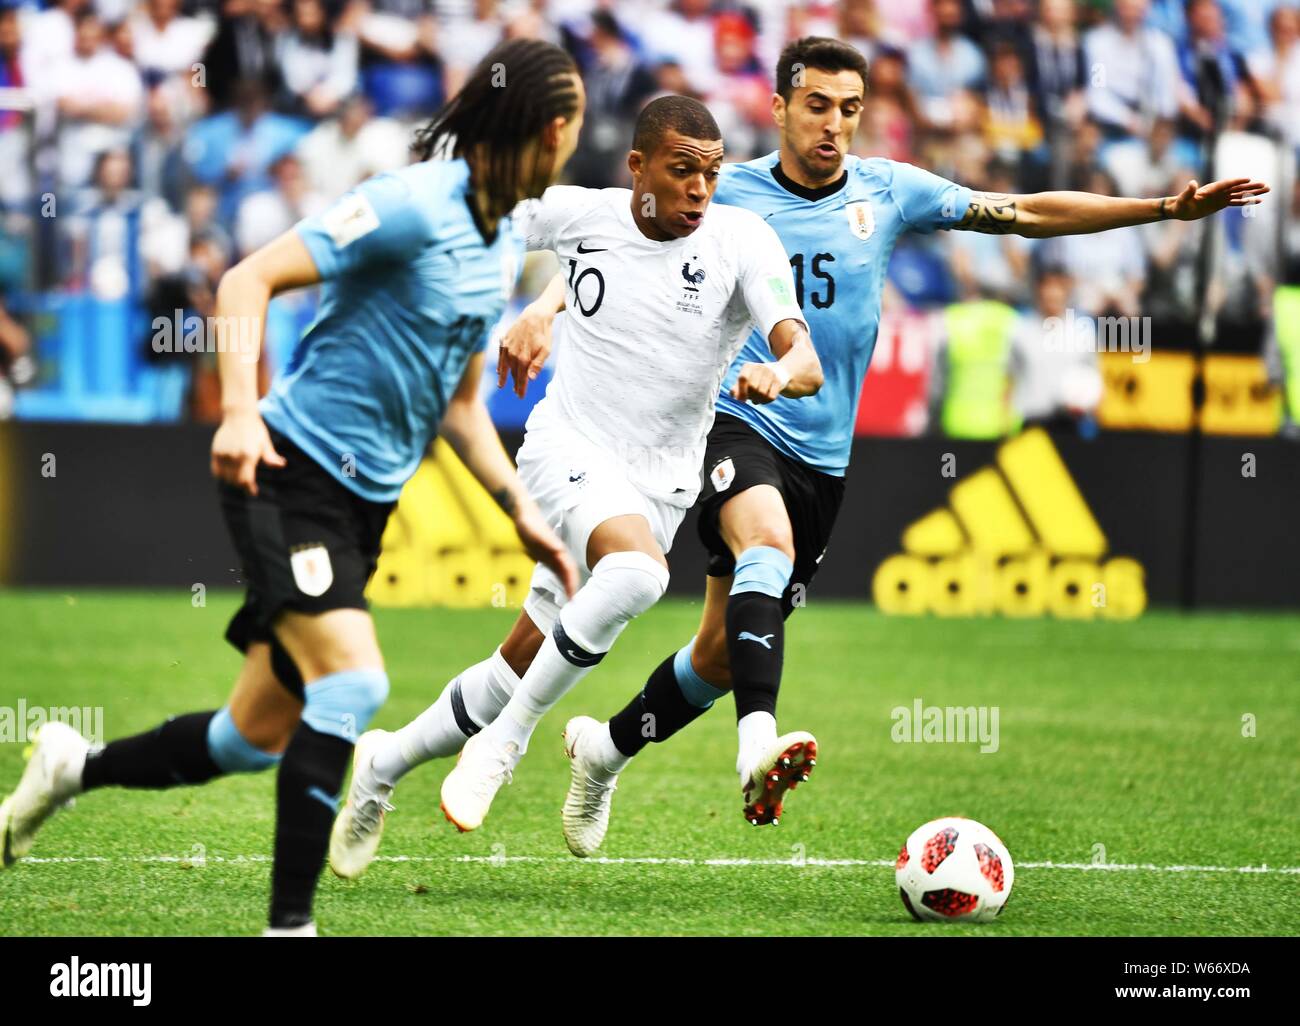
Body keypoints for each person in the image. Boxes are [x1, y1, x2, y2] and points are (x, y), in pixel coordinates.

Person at [531, 36, 1266, 855]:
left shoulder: (890, 191)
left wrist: (1164, 210)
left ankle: (604, 751)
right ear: (777, 108)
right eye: (816, 105)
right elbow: (623, 239)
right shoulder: (722, 193)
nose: (834, 125)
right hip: (737, 412)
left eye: (850, 109)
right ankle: (757, 744)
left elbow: (1021, 213)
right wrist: (545, 308)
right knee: (762, 543)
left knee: (719, 656)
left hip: (826, 454)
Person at [0, 39, 585, 937]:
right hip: (288, 467)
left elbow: (462, 407)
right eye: (573, 127)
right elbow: (247, 279)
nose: (574, 141)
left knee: (249, 737)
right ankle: (290, 930)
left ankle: (71, 769)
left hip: (362, 507)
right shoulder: (406, 206)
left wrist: (522, 512)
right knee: (351, 688)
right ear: (552, 130)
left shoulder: (502, 242)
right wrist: (238, 410)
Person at [327, 93, 821, 876]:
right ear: (638, 167)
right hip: (566, 447)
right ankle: (505, 748)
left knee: (517, 661)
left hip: (657, 489)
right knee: (637, 576)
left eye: (712, 174)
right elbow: (463, 211)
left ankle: (382, 766)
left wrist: (781, 371)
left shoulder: (740, 239)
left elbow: (805, 354)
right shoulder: (580, 215)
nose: (699, 189)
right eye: (682, 170)